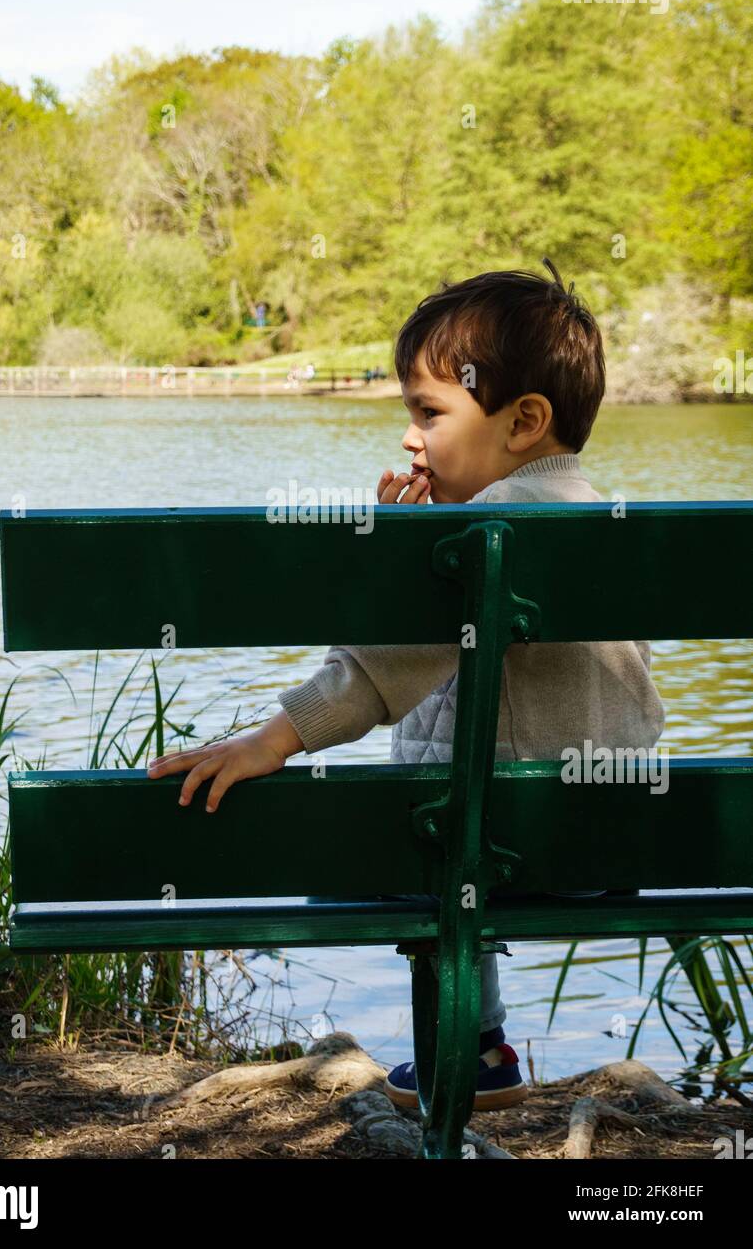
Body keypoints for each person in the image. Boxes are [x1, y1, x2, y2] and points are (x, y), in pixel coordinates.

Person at [147, 258, 666, 1113]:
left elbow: (375, 674)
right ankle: (481, 1048)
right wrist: (411, 548)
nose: (409, 436)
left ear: (524, 421)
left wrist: (267, 739)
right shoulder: (609, 527)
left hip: (485, 848)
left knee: (413, 834)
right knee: (450, 817)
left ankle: (470, 1049)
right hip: (611, 846)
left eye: (429, 411)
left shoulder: (483, 533)